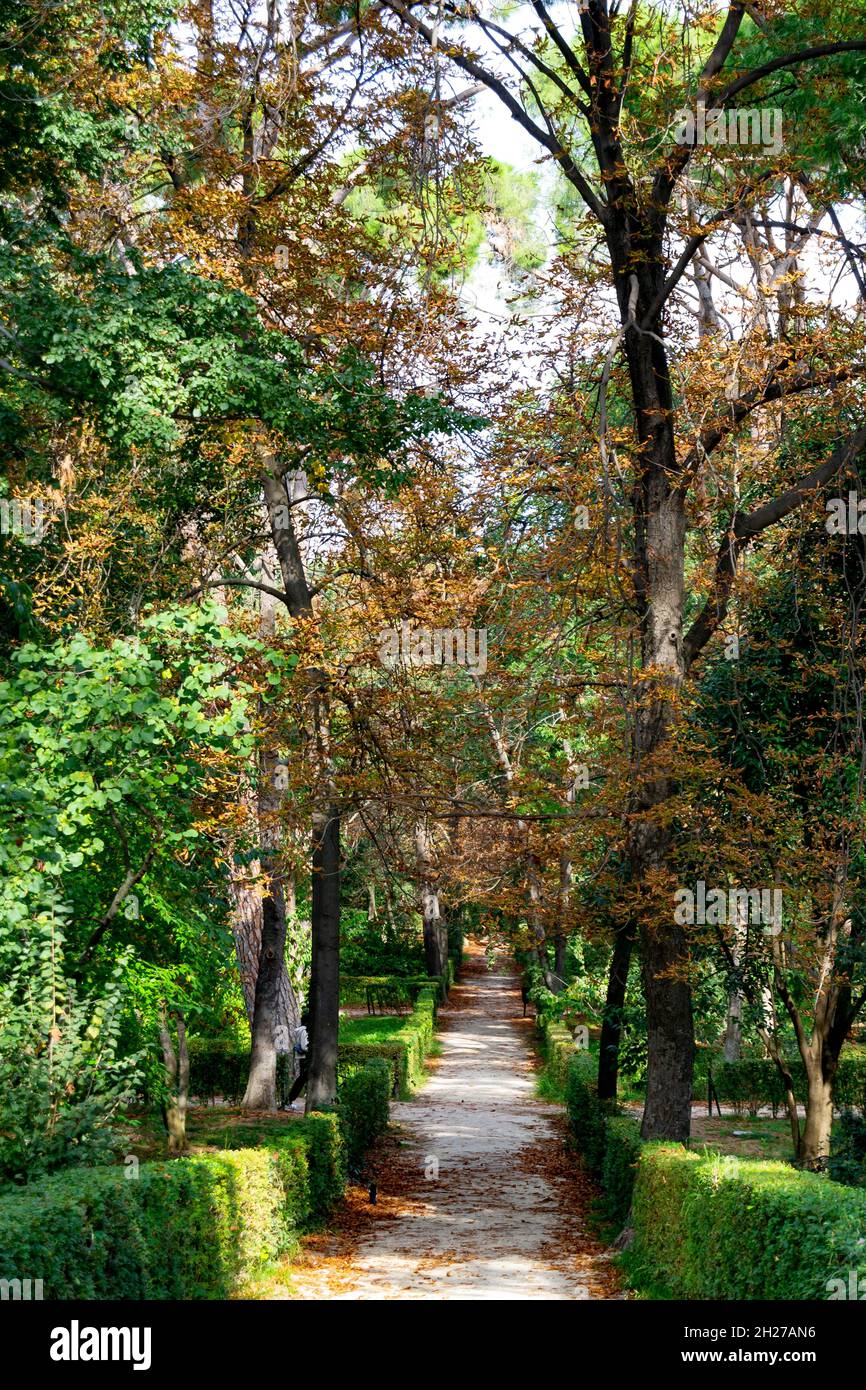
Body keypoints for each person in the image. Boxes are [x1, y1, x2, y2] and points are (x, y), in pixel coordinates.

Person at [287, 1011, 310, 1111]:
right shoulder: (304, 1030)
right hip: (304, 1057)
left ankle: (290, 1099)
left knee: (302, 1079)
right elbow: (305, 1047)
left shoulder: (299, 1030)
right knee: (302, 1079)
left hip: (300, 1057)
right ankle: (290, 1099)